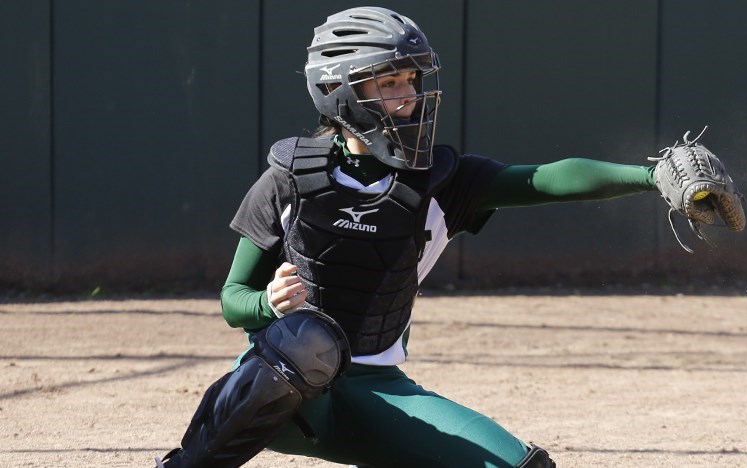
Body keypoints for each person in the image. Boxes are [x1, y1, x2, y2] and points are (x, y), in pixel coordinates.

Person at [156, 6, 669, 467]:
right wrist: (269, 304)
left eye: (410, 80)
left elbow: (551, 179)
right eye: (389, 83)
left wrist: (655, 178)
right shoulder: (287, 178)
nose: (408, 97)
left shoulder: (443, 180)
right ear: (340, 90)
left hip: (378, 389)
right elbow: (232, 302)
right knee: (303, 341)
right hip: (287, 395)